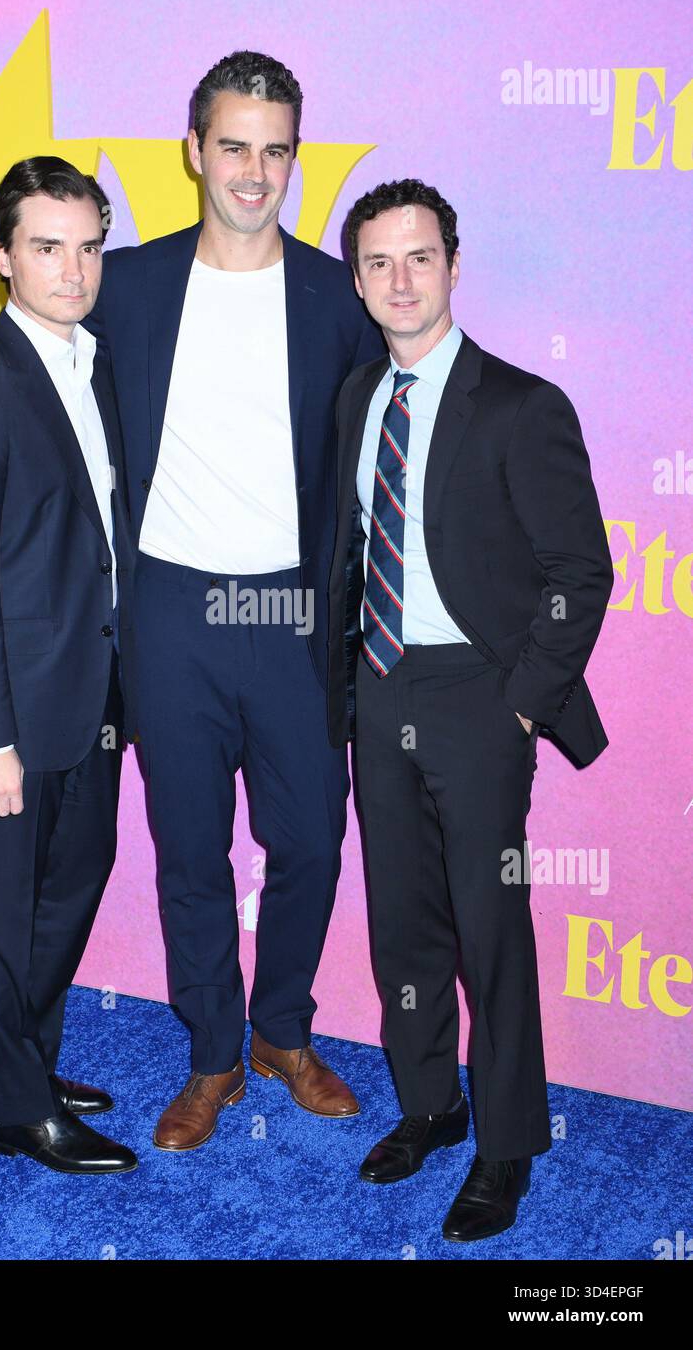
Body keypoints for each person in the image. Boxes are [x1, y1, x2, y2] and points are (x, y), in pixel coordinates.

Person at [84, 51, 384, 1151]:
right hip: (168, 608)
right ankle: (213, 1053)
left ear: (292, 157)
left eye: (274, 149)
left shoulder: (335, 297)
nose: (253, 171)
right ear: (194, 152)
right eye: (233, 145)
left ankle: (282, 1031)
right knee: (190, 844)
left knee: (308, 839)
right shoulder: (124, 286)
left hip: (289, 616)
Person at [327, 178, 614, 1238]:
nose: (398, 280)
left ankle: (504, 1144)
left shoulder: (520, 404)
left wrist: (521, 708)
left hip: (478, 699)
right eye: (377, 262)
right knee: (404, 926)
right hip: (379, 684)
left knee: (488, 930)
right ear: (356, 279)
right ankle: (430, 1107)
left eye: (417, 258)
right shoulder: (359, 400)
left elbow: (577, 572)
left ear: (453, 265)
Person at [0, 156, 138, 1174]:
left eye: (88, 246)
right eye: (47, 247)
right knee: (4, 911)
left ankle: (14, 1059)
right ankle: (12, 1107)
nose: (73, 269)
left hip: (92, 697)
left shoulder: (95, 368)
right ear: (2, 256)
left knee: (74, 881)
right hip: (14, 712)